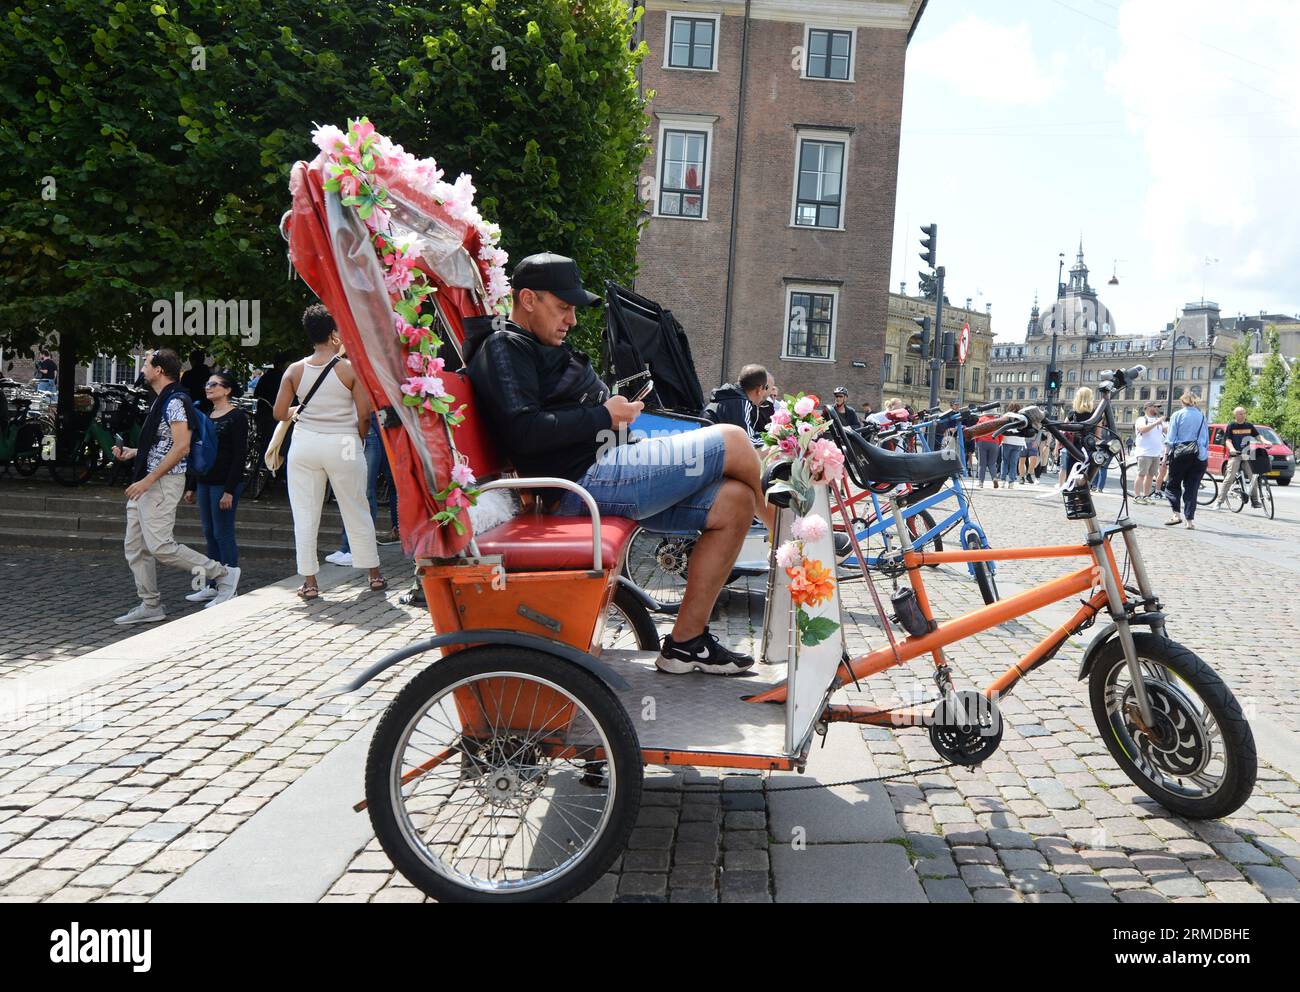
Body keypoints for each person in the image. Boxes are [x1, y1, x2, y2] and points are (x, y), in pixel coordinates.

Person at [467, 252, 770, 676]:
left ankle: (685, 644)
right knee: (735, 440)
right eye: (564, 307)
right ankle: (794, 552)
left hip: (609, 465)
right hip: (582, 480)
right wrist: (606, 415)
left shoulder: (530, 344)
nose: (571, 320)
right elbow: (524, 431)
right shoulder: (504, 344)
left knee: (736, 501)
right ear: (528, 298)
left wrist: (613, 414)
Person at [110, 349, 240, 623]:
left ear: (158, 370)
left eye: (146, 365)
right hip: (147, 481)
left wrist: (148, 480)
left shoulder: (175, 402)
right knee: (135, 547)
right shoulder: (162, 400)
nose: (142, 370)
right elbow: (164, 443)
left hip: (160, 483)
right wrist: (133, 452)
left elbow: (181, 447)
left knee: (161, 547)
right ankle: (150, 605)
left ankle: (223, 573)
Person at [275, 305, 386, 599]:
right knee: (356, 506)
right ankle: (373, 575)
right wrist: (357, 440)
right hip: (344, 442)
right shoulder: (349, 369)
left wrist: (301, 410)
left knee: (305, 513)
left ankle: (310, 583)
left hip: (304, 444)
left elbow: (278, 412)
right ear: (334, 334)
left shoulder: (294, 370)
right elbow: (364, 415)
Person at [183, 371, 248, 605]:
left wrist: (230, 490)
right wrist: (191, 485)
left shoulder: (237, 417)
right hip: (205, 482)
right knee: (209, 533)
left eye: (213, 384)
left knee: (223, 533)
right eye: (207, 383)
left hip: (224, 484)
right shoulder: (207, 415)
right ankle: (213, 584)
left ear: (227, 389)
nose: (208, 387)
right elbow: (199, 452)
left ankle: (228, 587)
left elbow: (240, 456)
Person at [326, 411, 401, 566]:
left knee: (363, 490)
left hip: (367, 424)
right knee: (362, 489)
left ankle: (355, 548)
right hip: (366, 424)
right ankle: (349, 547)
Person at [1164, 391, 1209, 529]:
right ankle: (1189, 521)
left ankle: (1176, 515)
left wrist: (1166, 456)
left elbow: (1170, 439)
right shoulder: (1202, 416)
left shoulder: (1177, 415)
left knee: (1172, 485)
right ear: (1195, 402)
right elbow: (1205, 438)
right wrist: (1203, 453)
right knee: (1192, 487)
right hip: (1199, 455)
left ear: (1182, 402)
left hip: (1180, 454)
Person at [702, 364, 772, 444]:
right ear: (759, 389)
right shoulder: (741, 403)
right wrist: (777, 440)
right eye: (766, 387)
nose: (766, 392)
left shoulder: (727, 398)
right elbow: (749, 442)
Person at [1215, 407, 1264, 510]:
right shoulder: (1232, 426)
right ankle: (1219, 502)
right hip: (1235, 455)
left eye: (1244, 413)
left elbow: (1258, 436)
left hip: (1247, 455)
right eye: (1240, 414)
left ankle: (1254, 501)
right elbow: (1228, 440)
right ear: (1235, 415)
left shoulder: (1249, 426)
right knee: (1229, 478)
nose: (1243, 415)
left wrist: (1265, 441)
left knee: (1253, 477)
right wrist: (1232, 449)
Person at [252, 351, 292, 472]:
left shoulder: (265, 377)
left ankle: (263, 469)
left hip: (262, 416)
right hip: (276, 418)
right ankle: (275, 470)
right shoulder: (284, 378)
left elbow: (256, 394)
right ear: (284, 364)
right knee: (279, 444)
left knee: (265, 443)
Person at [1132, 402, 1166, 504]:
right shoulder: (1141, 419)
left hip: (1156, 453)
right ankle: (1137, 496)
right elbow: (1143, 429)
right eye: (1155, 407)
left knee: (1151, 475)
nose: (1157, 409)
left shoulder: (1158, 420)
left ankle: (1146, 496)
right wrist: (1156, 423)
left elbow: (1167, 431)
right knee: (1141, 474)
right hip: (1144, 452)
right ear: (1147, 408)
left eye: (1157, 407)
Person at [999, 402, 1026, 488]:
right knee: (1014, 463)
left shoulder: (1006, 415)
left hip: (1007, 440)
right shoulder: (1023, 417)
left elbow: (1000, 426)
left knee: (1005, 461)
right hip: (1018, 442)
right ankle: (1011, 482)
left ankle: (1002, 480)